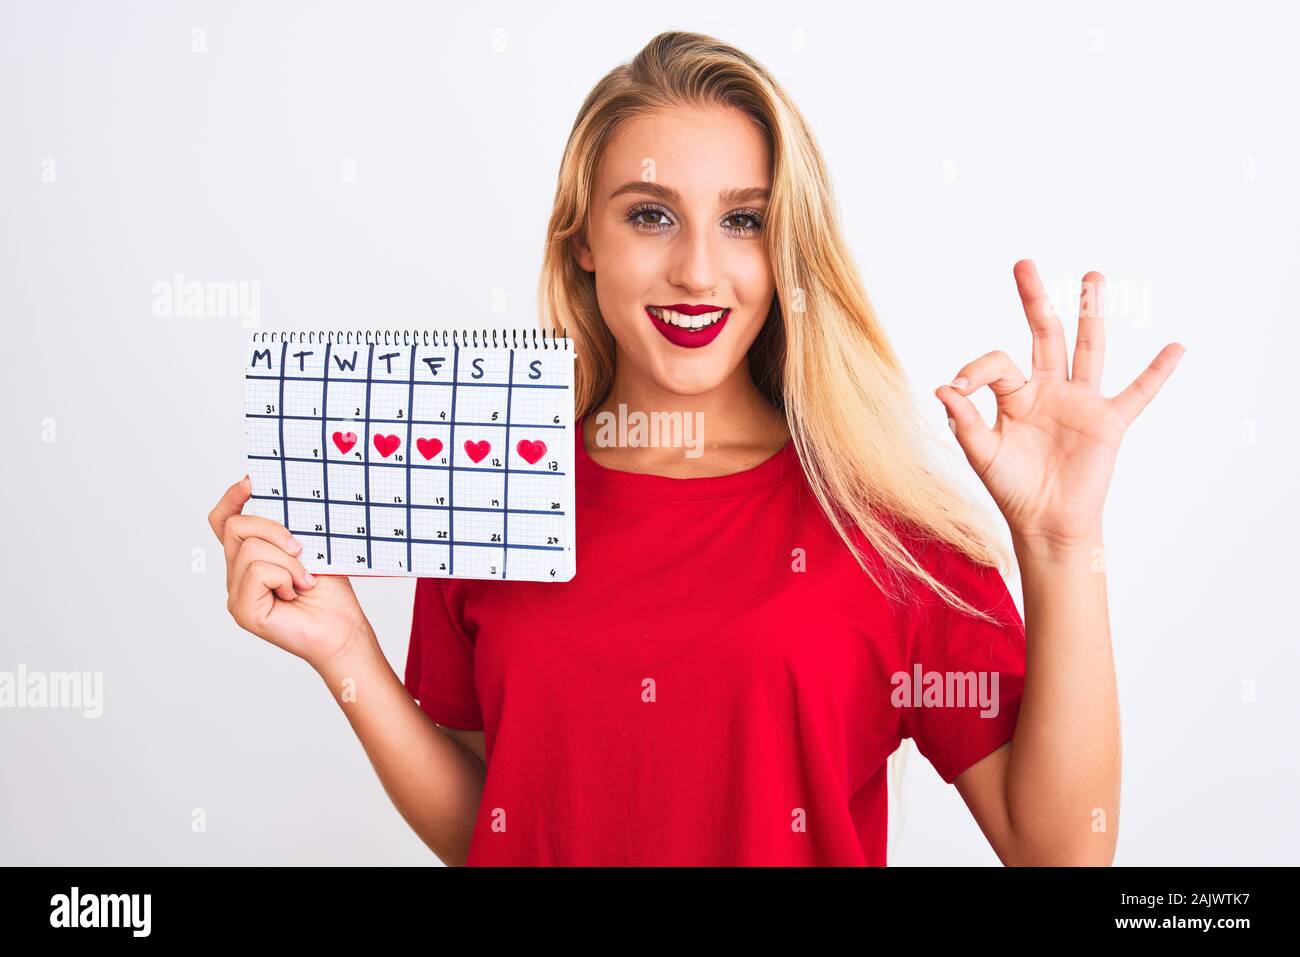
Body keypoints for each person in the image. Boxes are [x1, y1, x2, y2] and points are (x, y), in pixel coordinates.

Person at [208, 31, 1184, 866]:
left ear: (787, 247)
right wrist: (347, 656)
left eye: (744, 221)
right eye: (650, 214)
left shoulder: (888, 525)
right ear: (581, 238)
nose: (697, 270)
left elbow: (1060, 850)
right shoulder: (492, 483)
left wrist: (1061, 546)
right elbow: (496, 829)